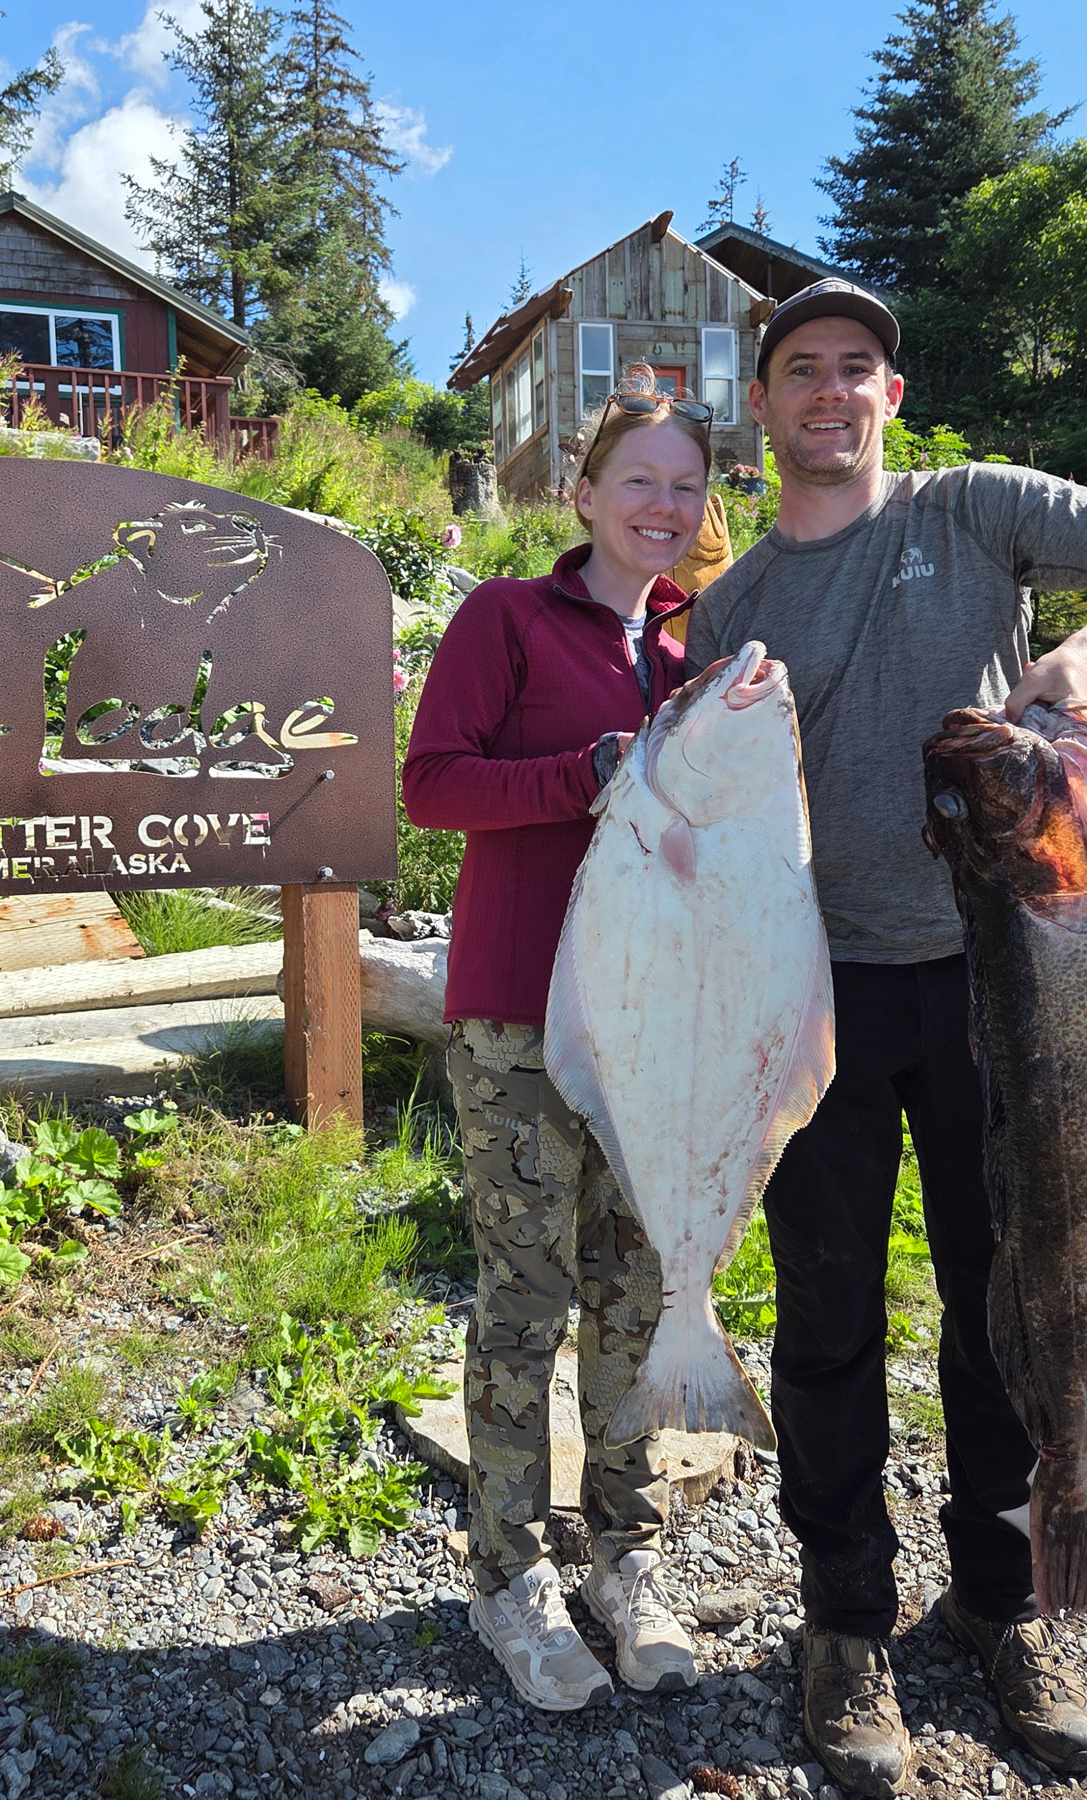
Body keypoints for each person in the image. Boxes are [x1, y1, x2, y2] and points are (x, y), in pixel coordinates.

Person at [684, 278, 1087, 1796]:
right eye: (799, 370)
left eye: (854, 368)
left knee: (1017, 1293)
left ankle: (1006, 1607)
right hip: (816, 1001)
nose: (827, 392)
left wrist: (1082, 656)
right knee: (824, 1317)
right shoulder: (728, 614)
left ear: (891, 393)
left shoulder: (979, 510)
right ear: (763, 407)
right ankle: (846, 1620)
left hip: (1013, 991)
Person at [402, 387, 713, 1711]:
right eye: (637, 479)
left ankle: (627, 1557)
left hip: (658, 1027)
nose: (661, 505)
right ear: (582, 496)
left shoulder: (704, 658)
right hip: (521, 1013)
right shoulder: (504, 620)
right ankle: (513, 1579)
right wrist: (576, 775)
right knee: (525, 1301)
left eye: (685, 488)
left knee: (640, 1297)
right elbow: (430, 783)